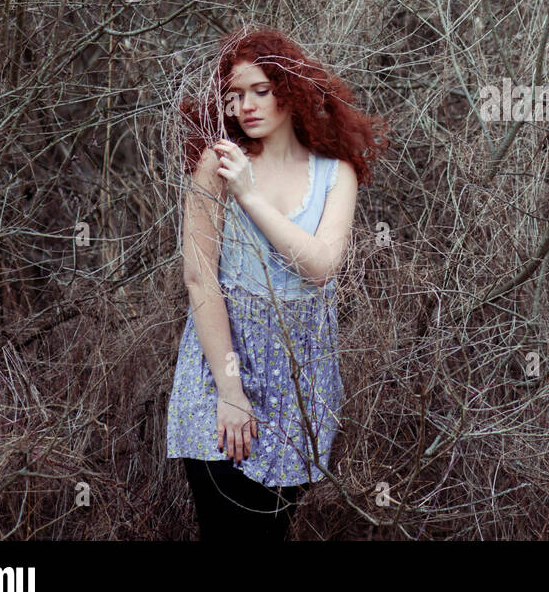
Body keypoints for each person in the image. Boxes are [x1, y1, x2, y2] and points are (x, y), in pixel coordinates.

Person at [166, 26, 390, 540]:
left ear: (290, 92)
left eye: (259, 91)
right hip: (219, 374)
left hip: (299, 381)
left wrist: (251, 194)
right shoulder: (217, 167)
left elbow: (320, 266)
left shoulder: (337, 174)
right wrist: (229, 389)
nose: (245, 105)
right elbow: (200, 279)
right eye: (235, 95)